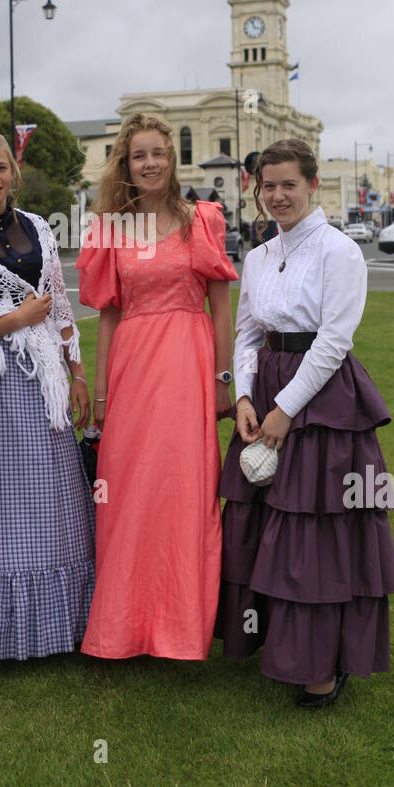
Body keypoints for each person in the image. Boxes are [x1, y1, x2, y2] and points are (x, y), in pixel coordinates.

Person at [216, 138, 394, 708]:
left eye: (288, 184)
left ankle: (323, 661)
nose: (277, 195)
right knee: (259, 520)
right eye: (267, 186)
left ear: (312, 185)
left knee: (316, 532)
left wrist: (285, 409)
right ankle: (272, 639)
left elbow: (334, 341)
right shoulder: (258, 256)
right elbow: (247, 333)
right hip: (265, 391)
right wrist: (245, 398)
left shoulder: (340, 252)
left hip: (321, 401)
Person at [76, 112, 238, 660]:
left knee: (185, 489)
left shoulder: (202, 220)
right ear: (126, 164)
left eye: (158, 154)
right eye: (138, 155)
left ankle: (179, 629)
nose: (150, 164)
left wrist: (224, 379)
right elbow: (108, 316)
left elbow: (221, 309)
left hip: (189, 368)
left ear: (172, 158)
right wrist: (100, 393)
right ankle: (124, 628)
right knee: (126, 492)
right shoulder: (110, 229)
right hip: (132, 369)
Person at [0, 131, 95, 660]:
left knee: (55, 495)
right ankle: (1, 631)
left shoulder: (39, 231)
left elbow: (60, 306)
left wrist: (77, 372)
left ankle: (61, 623)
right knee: (6, 499)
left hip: (47, 380)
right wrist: (11, 320)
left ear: (14, 172)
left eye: (1, 167)